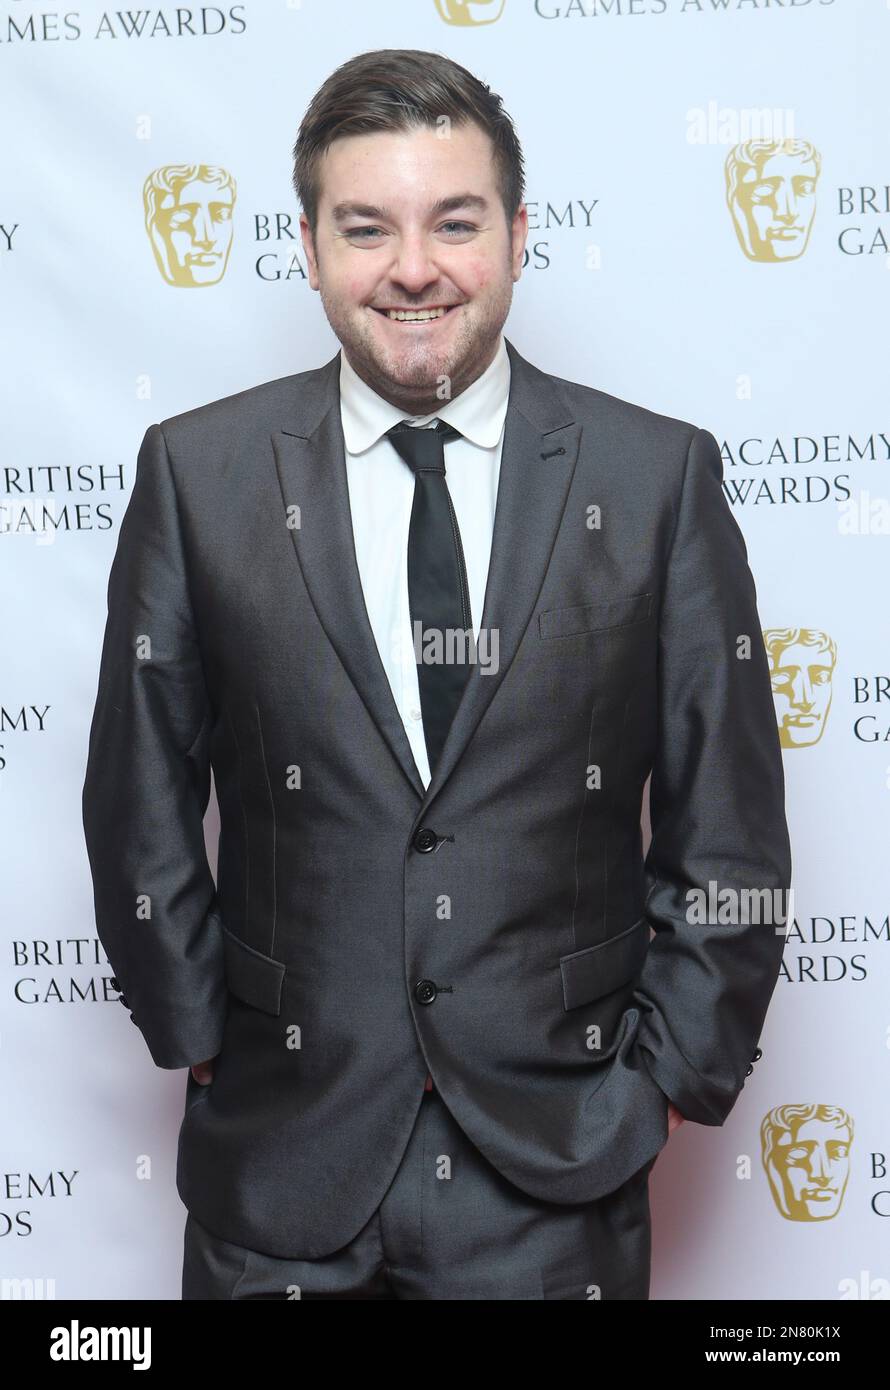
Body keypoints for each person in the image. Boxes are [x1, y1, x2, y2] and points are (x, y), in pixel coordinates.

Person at [81, 47, 792, 1300]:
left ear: (517, 235)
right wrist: (199, 1037)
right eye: (366, 227)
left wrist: (662, 1082)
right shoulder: (198, 478)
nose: (412, 267)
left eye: (453, 221)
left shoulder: (652, 480)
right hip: (278, 1169)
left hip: (554, 1179)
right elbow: (137, 800)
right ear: (307, 247)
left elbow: (725, 830)